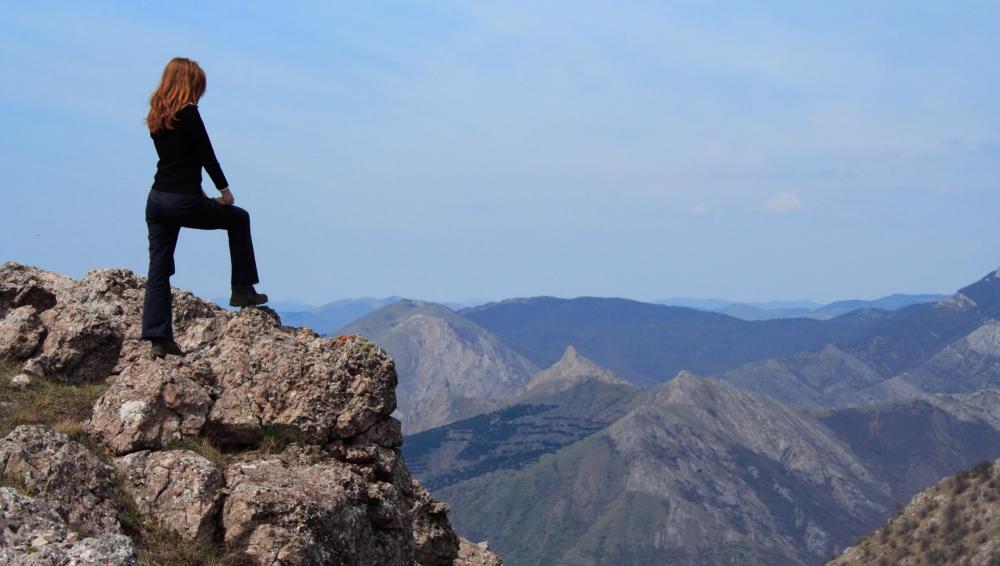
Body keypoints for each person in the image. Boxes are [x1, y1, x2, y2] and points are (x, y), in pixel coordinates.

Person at [141, 57, 268, 358]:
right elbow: (206, 156)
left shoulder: (157, 116)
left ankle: (158, 339)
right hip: (184, 201)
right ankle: (242, 289)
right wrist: (224, 192)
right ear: (191, 84)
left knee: (158, 269)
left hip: (158, 200)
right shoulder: (189, 114)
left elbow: (176, 162)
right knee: (238, 219)